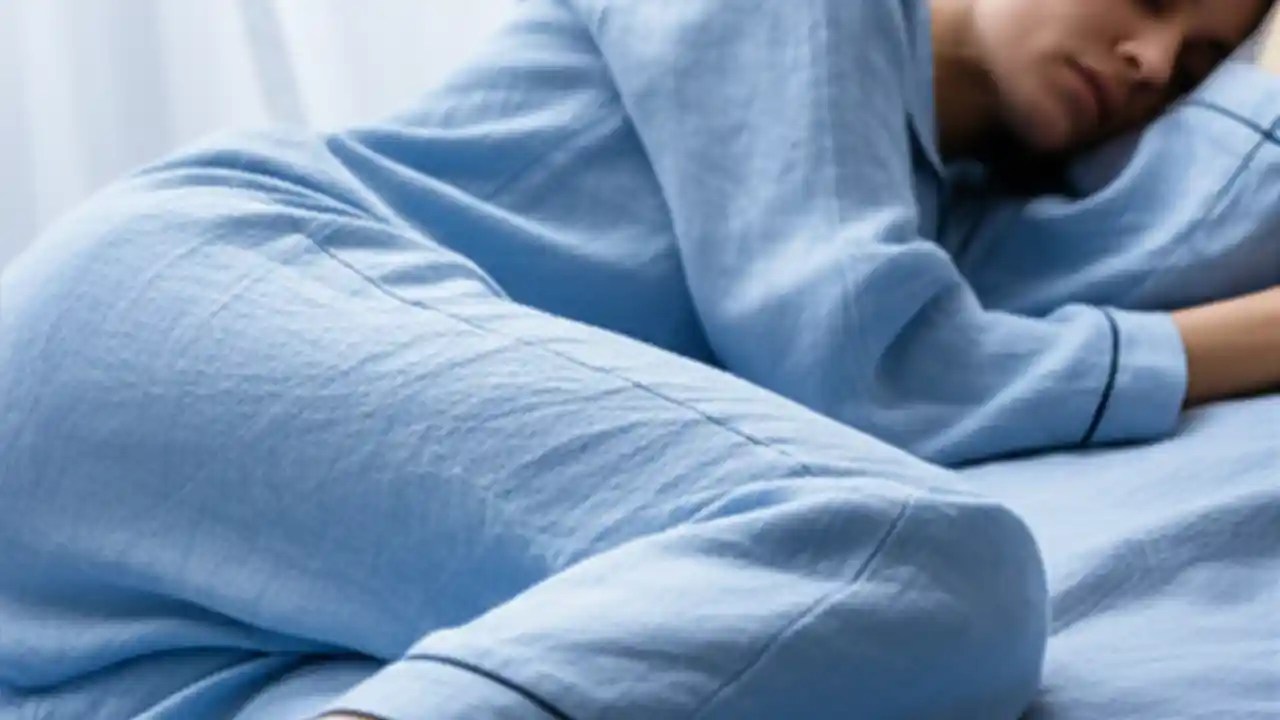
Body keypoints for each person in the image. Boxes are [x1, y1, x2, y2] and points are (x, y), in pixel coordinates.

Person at [0, 1, 1274, 719]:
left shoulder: (936, 209)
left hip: (161, 574)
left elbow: (1054, 315)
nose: (1153, 61)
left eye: (1203, 60)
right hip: (213, 291)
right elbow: (881, 379)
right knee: (916, 562)